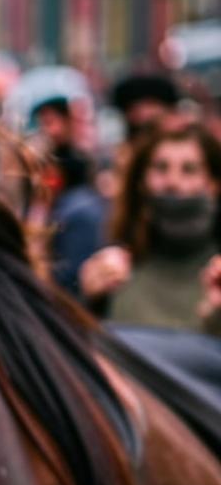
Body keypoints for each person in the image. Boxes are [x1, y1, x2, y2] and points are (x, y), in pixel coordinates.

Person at [78, 121, 221, 335]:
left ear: (213, 183)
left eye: (189, 170)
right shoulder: (115, 271)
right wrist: (87, 302)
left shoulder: (216, 278)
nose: (173, 182)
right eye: (161, 168)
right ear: (142, 180)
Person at [29, 96, 107, 295]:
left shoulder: (77, 161)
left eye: (51, 122)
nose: (47, 130)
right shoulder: (45, 156)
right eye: (43, 124)